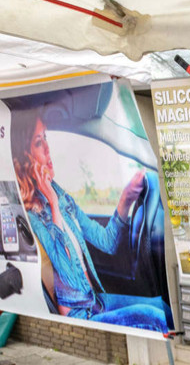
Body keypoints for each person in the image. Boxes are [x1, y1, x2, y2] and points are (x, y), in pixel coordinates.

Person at [12, 112, 171, 331]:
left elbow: (107, 242)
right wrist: (53, 203)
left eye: (46, 138)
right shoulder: (31, 216)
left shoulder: (62, 197)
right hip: (80, 313)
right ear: (25, 158)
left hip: (95, 301)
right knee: (155, 317)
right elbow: (71, 277)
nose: (48, 149)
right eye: (39, 143)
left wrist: (126, 199)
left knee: (162, 307)